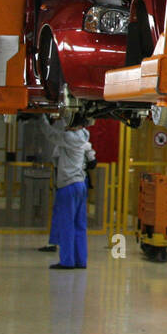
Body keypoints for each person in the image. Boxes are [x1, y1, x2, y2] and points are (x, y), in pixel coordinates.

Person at [36, 114, 96, 269]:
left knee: (66, 224)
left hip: (68, 185)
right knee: (80, 224)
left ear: (72, 124)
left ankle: (67, 261)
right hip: (81, 185)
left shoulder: (69, 137)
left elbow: (50, 134)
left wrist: (40, 117)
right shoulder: (83, 136)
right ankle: (81, 260)